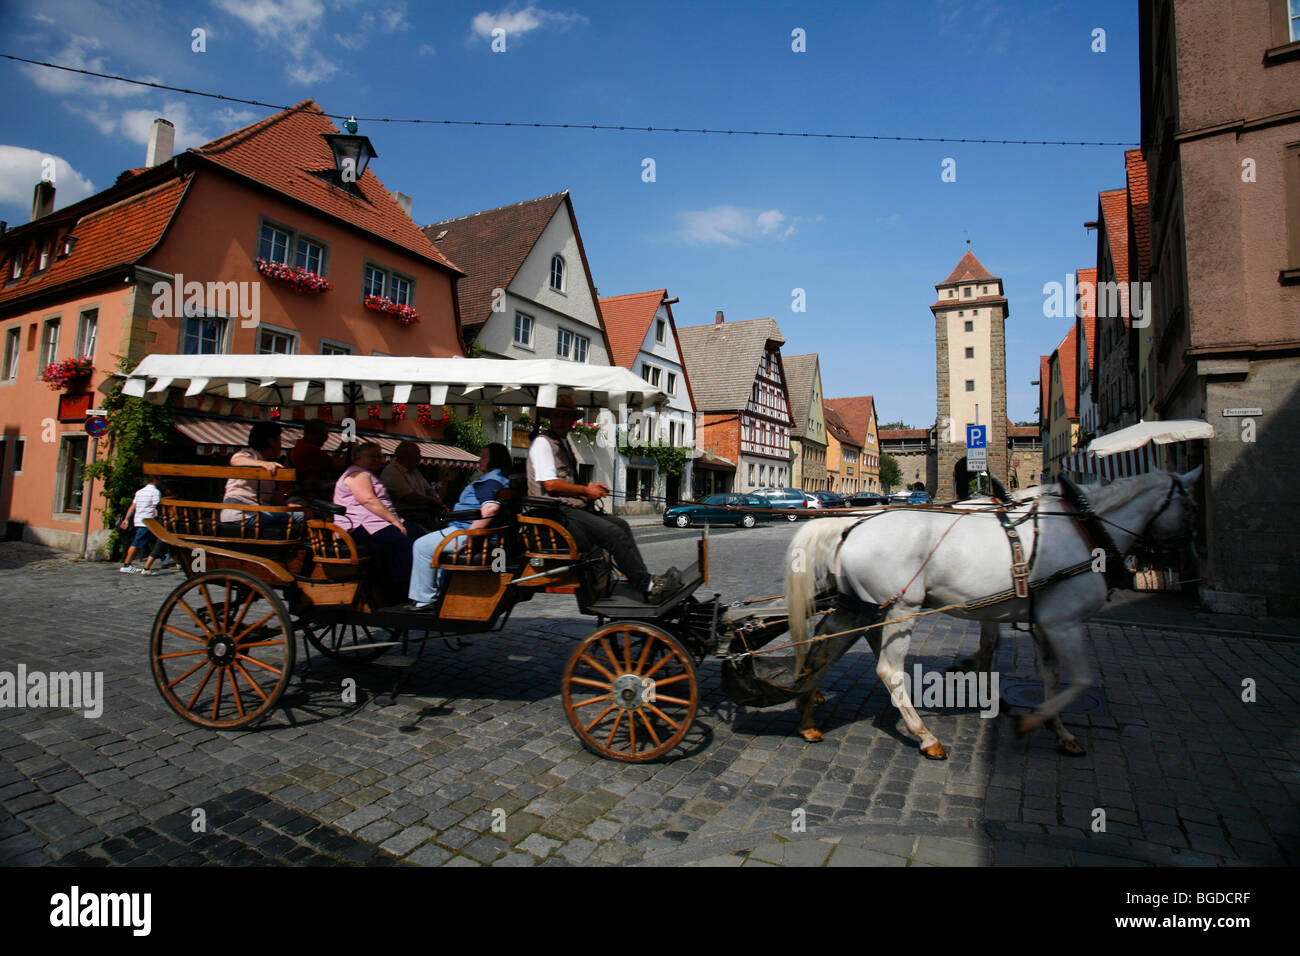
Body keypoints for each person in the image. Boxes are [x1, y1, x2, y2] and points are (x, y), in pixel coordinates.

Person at [526, 393, 680, 603]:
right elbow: (551, 485)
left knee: (621, 525)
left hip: (567, 511)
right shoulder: (543, 443)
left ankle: (638, 579)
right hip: (554, 516)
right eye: (558, 416)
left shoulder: (562, 442)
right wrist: (585, 490)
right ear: (551, 418)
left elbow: (567, 482)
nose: (562, 421)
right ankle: (647, 587)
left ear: (573, 421)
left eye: (566, 416)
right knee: (613, 534)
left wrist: (588, 489)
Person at [406, 443, 513, 609]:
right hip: (468, 529)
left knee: (421, 545)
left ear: (495, 459)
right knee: (431, 544)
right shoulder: (500, 479)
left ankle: (424, 599)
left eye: (484, 456)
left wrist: (471, 536)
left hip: (466, 530)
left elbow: (491, 508)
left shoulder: (491, 481)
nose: (480, 460)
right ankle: (442, 592)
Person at [334, 442, 413, 604]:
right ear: (358, 458)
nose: (377, 460)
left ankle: (412, 585)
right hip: (362, 525)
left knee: (417, 536)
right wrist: (394, 520)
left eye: (380, 456)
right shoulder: (356, 475)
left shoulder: (366, 473)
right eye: (372, 456)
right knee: (402, 542)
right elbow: (368, 500)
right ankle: (400, 589)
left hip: (376, 523)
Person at [221, 421, 303, 533]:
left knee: (301, 512)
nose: (281, 445)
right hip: (244, 516)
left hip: (252, 514)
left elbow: (270, 498)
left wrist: (287, 505)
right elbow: (235, 460)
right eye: (279, 440)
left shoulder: (266, 463)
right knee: (302, 516)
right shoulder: (250, 455)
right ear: (272, 442)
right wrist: (263, 464)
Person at [380, 440, 444, 531]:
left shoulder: (414, 471)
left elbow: (428, 489)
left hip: (423, 513)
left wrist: (436, 499)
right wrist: (432, 501)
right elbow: (408, 496)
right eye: (417, 454)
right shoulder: (391, 472)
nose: (420, 457)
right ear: (406, 456)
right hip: (406, 515)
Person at [119, 475, 163, 574]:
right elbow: (156, 508)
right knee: (136, 543)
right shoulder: (155, 492)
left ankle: (157, 558)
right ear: (155, 480)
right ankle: (127, 564)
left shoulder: (140, 492)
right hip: (148, 521)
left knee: (152, 541)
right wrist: (158, 520)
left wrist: (126, 519)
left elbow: (133, 506)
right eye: (159, 479)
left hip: (138, 520)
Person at [289, 418, 345, 497]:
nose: (326, 439)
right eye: (324, 435)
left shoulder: (301, 446)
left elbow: (328, 461)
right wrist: (354, 452)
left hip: (300, 492)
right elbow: (339, 465)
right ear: (313, 434)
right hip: (305, 496)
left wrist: (340, 448)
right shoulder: (309, 449)